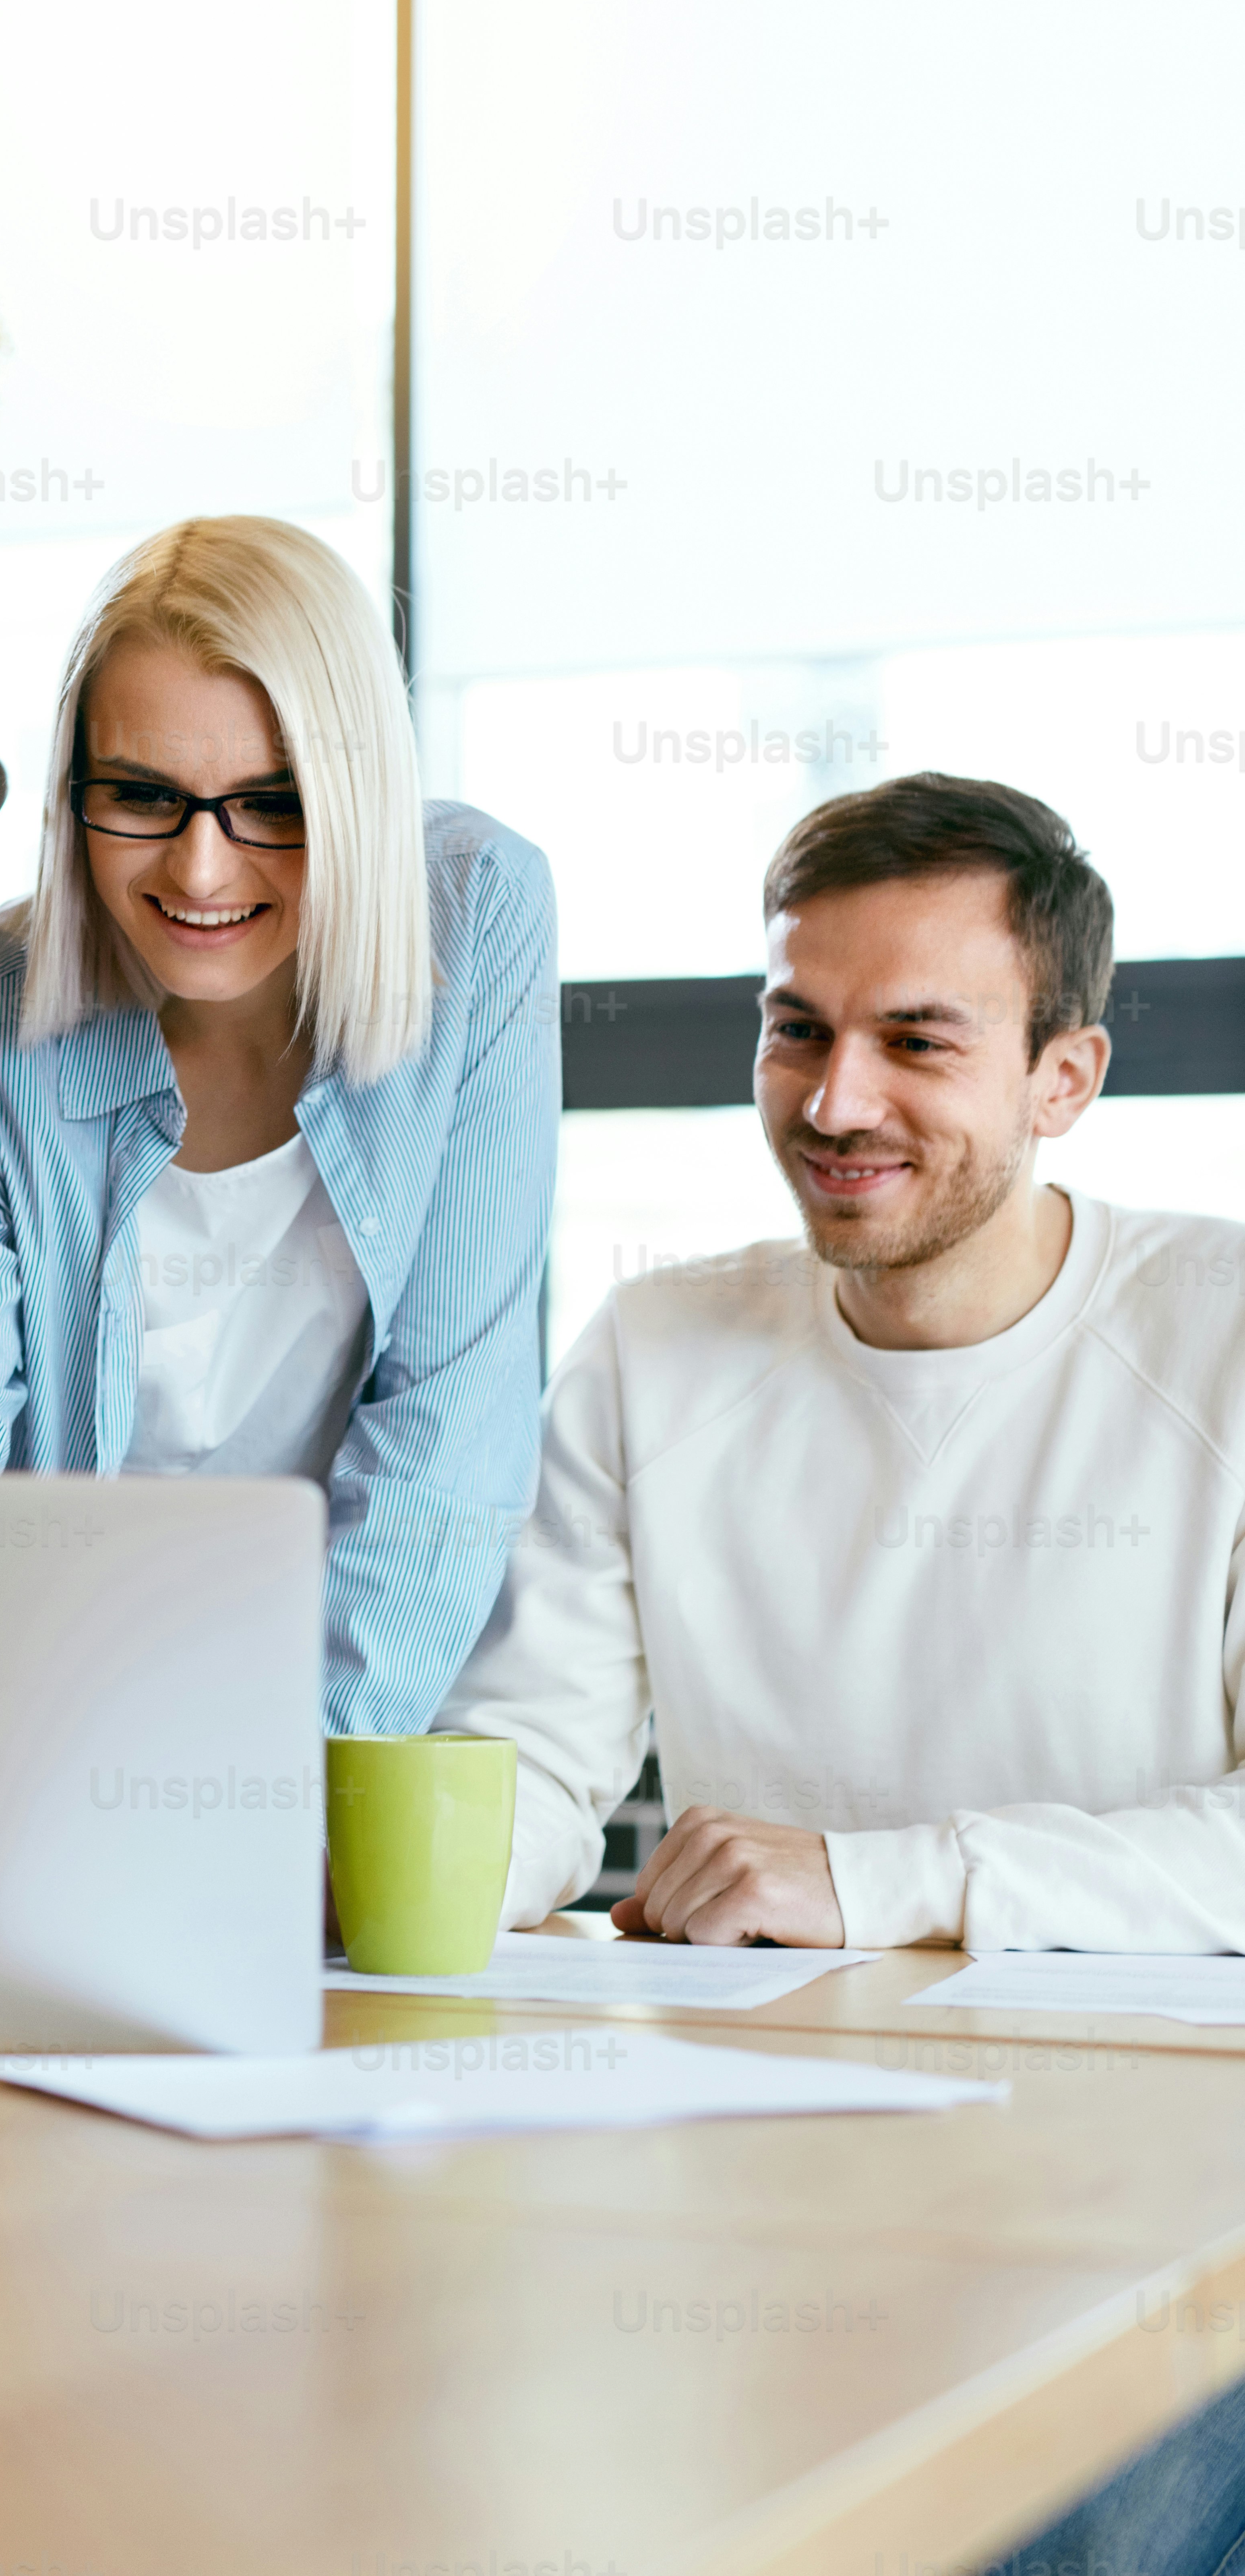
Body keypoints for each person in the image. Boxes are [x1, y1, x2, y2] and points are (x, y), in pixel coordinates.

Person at [440, 770, 1245, 1951]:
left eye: (915, 1040)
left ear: (1062, 1078)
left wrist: (875, 1881)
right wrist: (368, 1875)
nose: (834, 1101)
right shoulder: (651, 1349)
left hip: (1141, 2102)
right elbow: (539, 1759)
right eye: (798, 1030)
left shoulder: (1221, 1331)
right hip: (772, 2078)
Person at [0, 515, 559, 1737]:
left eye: (273, 803)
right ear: (73, 798)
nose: (202, 872)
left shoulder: (473, 920)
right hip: (39, 1699)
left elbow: (450, 1426)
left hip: (358, 1703)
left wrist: (296, 1789)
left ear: (358, 791)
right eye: (145, 797)